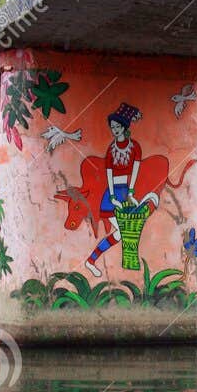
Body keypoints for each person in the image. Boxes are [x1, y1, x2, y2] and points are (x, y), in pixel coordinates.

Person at [84, 102, 145, 277]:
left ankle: (91, 261)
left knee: (121, 233)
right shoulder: (111, 150)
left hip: (125, 192)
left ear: (124, 127)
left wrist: (131, 192)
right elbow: (109, 174)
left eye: (117, 126)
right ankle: (91, 261)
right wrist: (112, 197)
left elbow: (135, 170)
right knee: (121, 233)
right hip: (112, 194)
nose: (114, 130)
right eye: (112, 127)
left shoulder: (135, 147)